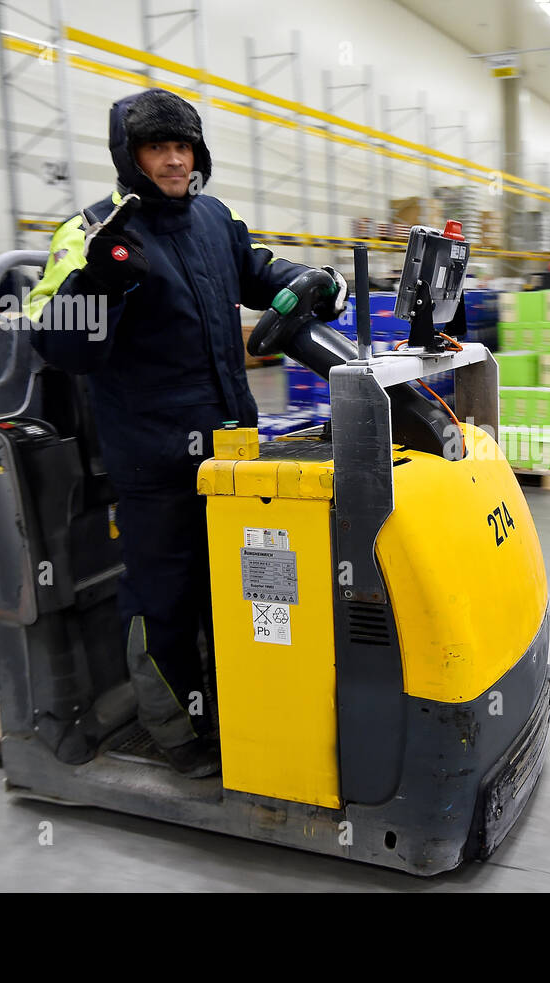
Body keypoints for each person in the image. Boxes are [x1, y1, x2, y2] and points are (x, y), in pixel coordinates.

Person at [26, 89, 346, 777]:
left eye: (185, 146)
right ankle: (175, 730)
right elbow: (54, 340)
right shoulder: (90, 234)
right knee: (164, 601)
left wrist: (304, 279)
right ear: (129, 156)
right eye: (158, 147)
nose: (174, 159)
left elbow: (256, 271)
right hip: (157, 463)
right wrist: (102, 281)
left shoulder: (213, 220)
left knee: (248, 591)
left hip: (235, 454)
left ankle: (246, 706)